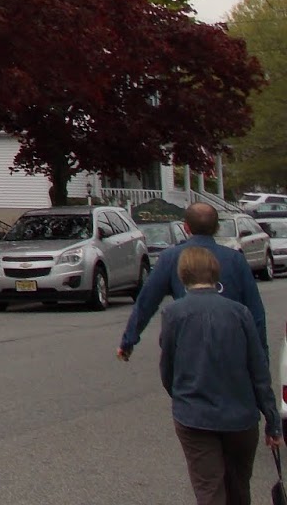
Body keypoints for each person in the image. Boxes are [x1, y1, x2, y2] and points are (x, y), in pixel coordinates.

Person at [158, 245, 281, 505]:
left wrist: (180, 395)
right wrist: (271, 418)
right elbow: (258, 370)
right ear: (216, 273)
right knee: (238, 487)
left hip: (194, 414)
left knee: (209, 488)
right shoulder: (240, 312)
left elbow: (167, 366)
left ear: (183, 274)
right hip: (240, 416)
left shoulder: (173, 314)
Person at [118, 202, 267, 361]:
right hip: (231, 346)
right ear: (217, 227)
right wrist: (261, 358)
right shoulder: (235, 259)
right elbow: (255, 312)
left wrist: (128, 340)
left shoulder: (171, 258)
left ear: (186, 227)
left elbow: (147, 302)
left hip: (188, 345)